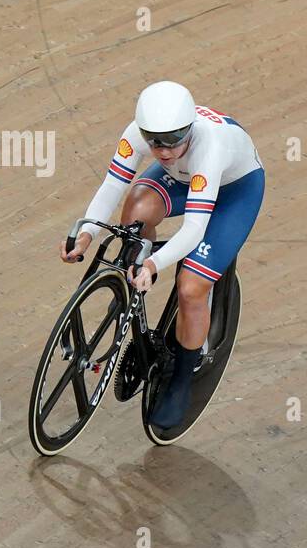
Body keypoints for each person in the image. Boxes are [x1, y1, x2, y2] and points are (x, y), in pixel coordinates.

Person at [59, 81, 264, 429]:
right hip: (185, 180)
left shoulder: (208, 146)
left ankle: (182, 378)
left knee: (190, 287)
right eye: (154, 140)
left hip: (234, 192)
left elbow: (195, 229)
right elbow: (112, 186)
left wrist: (154, 263)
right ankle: (131, 299)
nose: (164, 149)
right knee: (136, 211)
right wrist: (86, 234)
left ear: (189, 128)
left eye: (174, 138)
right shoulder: (141, 134)